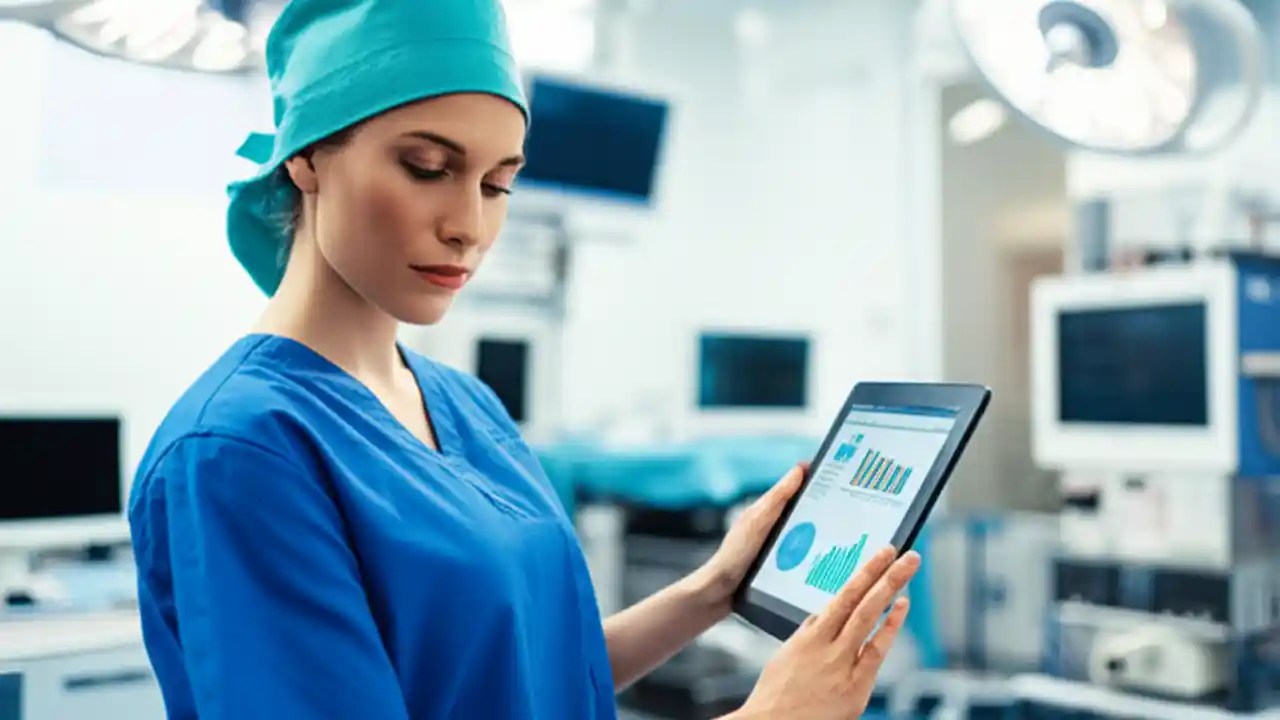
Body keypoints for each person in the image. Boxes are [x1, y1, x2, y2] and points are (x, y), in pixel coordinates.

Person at [127, 0, 922, 717]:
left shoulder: (465, 405)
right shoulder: (241, 452)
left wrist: (713, 590)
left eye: (498, 184)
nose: (468, 224)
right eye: (427, 169)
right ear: (306, 157)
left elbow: (534, 682)